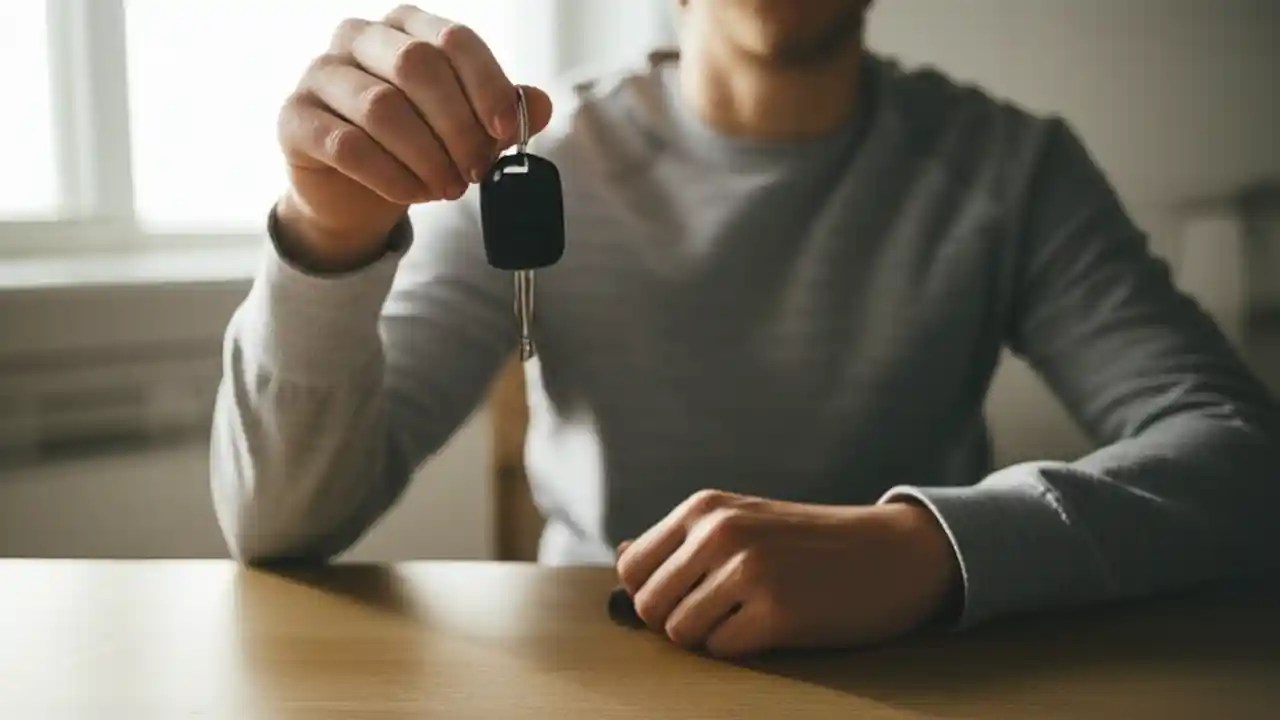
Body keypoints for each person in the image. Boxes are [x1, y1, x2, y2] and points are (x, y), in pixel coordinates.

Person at [211, 0, 1280, 658]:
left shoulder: (1016, 171)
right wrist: (326, 228)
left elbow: (1243, 461)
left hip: (932, 677)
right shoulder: (537, 163)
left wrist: (929, 550)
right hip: (595, 672)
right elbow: (283, 525)